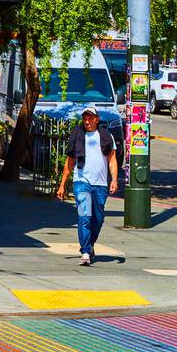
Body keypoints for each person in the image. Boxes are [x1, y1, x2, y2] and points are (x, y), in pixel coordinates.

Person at [56, 105, 119, 265]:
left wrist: (114, 180)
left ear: (97, 120)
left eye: (90, 118)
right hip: (81, 181)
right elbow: (69, 163)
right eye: (85, 118)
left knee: (98, 219)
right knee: (84, 217)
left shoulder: (106, 137)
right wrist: (62, 185)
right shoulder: (77, 136)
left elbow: (112, 160)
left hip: (100, 184)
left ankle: (89, 245)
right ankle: (85, 252)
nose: (87, 121)